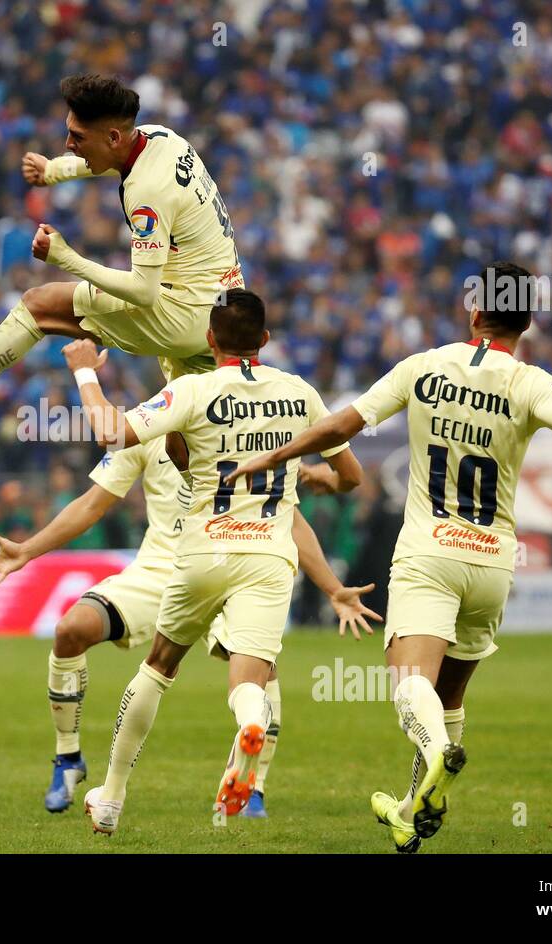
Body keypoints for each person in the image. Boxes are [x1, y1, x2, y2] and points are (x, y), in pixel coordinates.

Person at [223, 262, 552, 852]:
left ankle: (437, 756)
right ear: (524, 324)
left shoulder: (424, 366)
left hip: (430, 553)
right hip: (495, 562)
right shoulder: (530, 382)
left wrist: (279, 457)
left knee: (407, 686)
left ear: (474, 313)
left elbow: (341, 425)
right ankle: (414, 808)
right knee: (447, 698)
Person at [59, 288, 365, 834]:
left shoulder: (192, 390)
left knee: (158, 666)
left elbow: (109, 432)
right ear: (265, 340)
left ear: (208, 339)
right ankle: (249, 729)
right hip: (270, 556)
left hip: (204, 548)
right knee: (251, 681)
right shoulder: (300, 394)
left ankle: (110, 796)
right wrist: (315, 477)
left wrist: (86, 372)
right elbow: (351, 476)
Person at [0, 438, 378, 817]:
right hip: (159, 569)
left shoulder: (240, 420)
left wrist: (331, 586)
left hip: (223, 565)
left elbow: (289, 516)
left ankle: (251, 788)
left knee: (251, 669)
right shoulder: (152, 420)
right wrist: (28, 550)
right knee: (70, 630)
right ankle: (68, 756)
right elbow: (93, 504)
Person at [0, 72, 244, 452]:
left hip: (187, 310)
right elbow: (113, 162)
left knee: (39, 305)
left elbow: (142, 292)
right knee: (184, 448)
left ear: (113, 136)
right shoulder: (161, 138)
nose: (68, 144)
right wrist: (54, 170)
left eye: (77, 138)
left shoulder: (146, 193)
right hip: (225, 310)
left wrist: (66, 257)